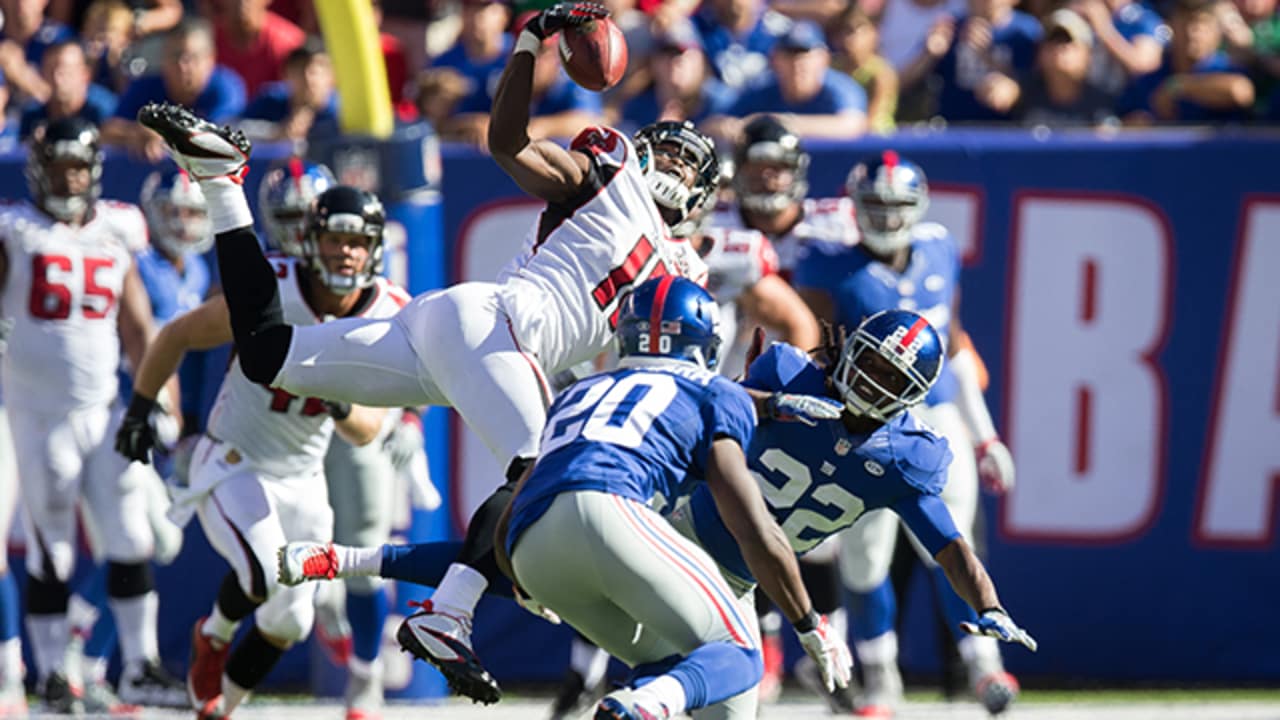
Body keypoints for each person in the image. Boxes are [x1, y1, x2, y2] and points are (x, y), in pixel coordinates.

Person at [132, 0, 721, 704]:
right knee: (537, 480)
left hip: (459, 340)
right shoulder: (611, 180)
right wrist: (530, 41)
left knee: (263, 353)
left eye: (692, 165)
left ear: (703, 197)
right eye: (672, 152)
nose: (675, 168)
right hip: (494, 326)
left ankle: (221, 184)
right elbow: (507, 143)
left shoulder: (686, 272)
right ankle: (448, 613)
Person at [277, 309, 1037, 720]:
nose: (867, 382)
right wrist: (810, 622)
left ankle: (345, 560)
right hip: (681, 533)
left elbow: (949, 546)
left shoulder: (906, 454)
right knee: (721, 661)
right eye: (864, 362)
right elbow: (736, 460)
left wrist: (992, 605)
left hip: (717, 566)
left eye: (885, 378)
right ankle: (635, 705)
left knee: (721, 700)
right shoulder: (775, 375)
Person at [115, 185, 407, 720]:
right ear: (310, 242)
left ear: (374, 250)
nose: (345, 251)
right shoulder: (274, 288)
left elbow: (367, 431)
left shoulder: (387, 311)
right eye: (335, 238)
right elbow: (177, 334)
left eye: (356, 241)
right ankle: (215, 631)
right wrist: (140, 407)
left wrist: (337, 401)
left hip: (304, 477)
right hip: (233, 462)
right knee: (266, 572)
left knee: (291, 621)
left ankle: (220, 707)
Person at [792, 153, 1020, 716]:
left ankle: (984, 665)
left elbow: (957, 343)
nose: (889, 219)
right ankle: (880, 676)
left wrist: (984, 435)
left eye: (898, 207)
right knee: (865, 558)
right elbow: (813, 352)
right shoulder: (828, 267)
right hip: (867, 423)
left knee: (952, 538)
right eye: (876, 206)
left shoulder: (939, 249)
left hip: (937, 419)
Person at [0, 117, 180, 713]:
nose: (68, 178)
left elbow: (136, 324)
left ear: (94, 171)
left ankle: (139, 666)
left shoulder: (116, 229)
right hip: (37, 411)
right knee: (53, 546)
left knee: (130, 536)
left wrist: (158, 399)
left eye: (77, 167)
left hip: (104, 410)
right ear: (38, 171)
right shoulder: (17, 231)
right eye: (58, 167)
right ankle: (52, 675)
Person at [707, 114, 858, 277]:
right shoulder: (712, 222)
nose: (767, 178)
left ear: (797, 170)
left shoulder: (838, 221)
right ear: (737, 170)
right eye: (756, 168)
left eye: (778, 167)